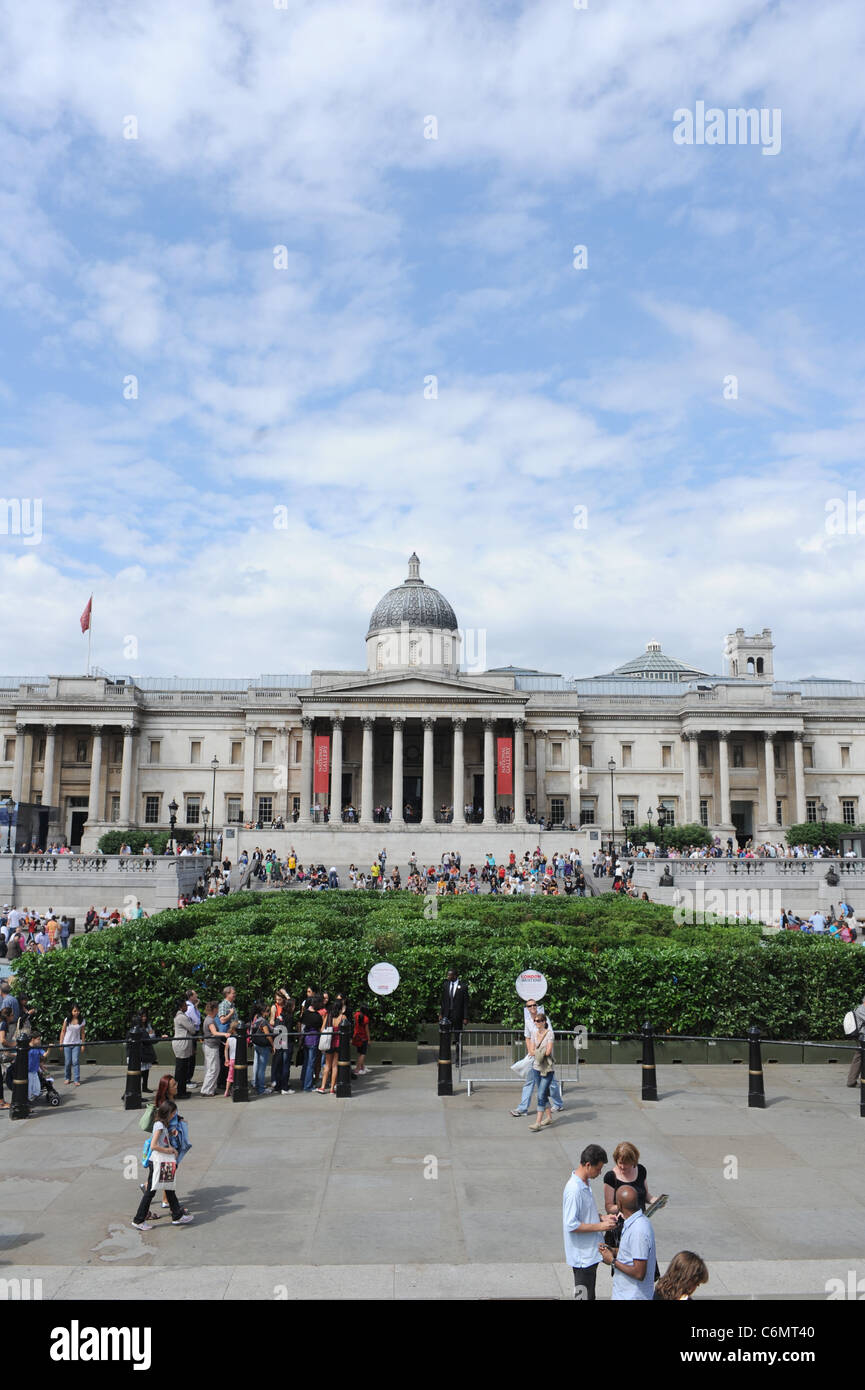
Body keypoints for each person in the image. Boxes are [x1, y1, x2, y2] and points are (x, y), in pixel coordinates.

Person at [563, 1144, 617, 1300]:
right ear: (588, 1165)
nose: (600, 1173)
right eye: (598, 1169)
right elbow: (571, 1224)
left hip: (590, 1255)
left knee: (589, 1296)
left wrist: (602, 1218)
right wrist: (600, 1226)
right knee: (583, 1297)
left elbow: (584, 1214)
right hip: (582, 1259)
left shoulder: (585, 1183)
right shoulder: (574, 1190)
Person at [131, 1100, 194, 1231]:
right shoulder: (159, 1125)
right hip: (160, 1161)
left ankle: (177, 1215)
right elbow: (154, 1145)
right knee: (151, 1192)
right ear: (168, 1113)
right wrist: (169, 1150)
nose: (174, 1115)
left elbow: (160, 1140)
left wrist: (171, 1135)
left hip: (160, 1161)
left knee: (169, 1189)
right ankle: (139, 1220)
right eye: (173, 1113)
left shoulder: (161, 1124)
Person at [599, 1184, 657, 1300]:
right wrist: (613, 1251)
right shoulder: (634, 1222)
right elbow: (632, 1253)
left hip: (633, 1296)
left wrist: (612, 1261)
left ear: (619, 1204)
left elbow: (639, 1273)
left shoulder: (638, 1230)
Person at [511, 999, 564, 1117]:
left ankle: (558, 1103)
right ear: (527, 1008)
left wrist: (544, 1051)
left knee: (552, 1082)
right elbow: (527, 1037)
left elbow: (549, 1034)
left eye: (534, 1005)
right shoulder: (527, 1021)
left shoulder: (544, 1019)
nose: (532, 1007)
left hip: (545, 1056)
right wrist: (530, 1050)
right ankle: (523, 1108)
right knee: (529, 1081)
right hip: (533, 1056)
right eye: (529, 1006)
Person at [603, 1142, 655, 1214]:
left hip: (640, 1221)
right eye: (620, 1162)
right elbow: (609, 1207)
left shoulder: (641, 1170)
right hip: (621, 1222)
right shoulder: (611, 1177)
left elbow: (645, 1196)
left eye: (626, 1163)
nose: (623, 1166)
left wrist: (655, 1201)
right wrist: (622, 1208)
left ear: (633, 1161)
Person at [527, 1011, 555, 1131]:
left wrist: (537, 1052)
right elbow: (531, 1050)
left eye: (539, 1021)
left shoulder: (550, 1034)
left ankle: (538, 1123)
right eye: (535, 1021)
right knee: (542, 1093)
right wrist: (538, 1052)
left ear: (544, 1022)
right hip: (536, 1067)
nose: (537, 1023)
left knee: (540, 1095)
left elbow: (548, 1052)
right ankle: (548, 1117)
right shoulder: (534, 1033)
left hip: (547, 1069)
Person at [171, 999, 197, 1099]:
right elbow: (193, 1029)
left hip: (182, 1044)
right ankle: (180, 1092)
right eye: (185, 1005)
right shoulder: (182, 1017)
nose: (187, 1007)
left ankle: (182, 1091)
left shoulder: (180, 1016)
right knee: (181, 1069)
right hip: (182, 1045)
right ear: (181, 1007)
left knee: (182, 1068)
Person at [439, 968, 469, 1049]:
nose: (448, 976)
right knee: (446, 1036)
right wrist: (441, 1013)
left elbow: (465, 1003)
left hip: (457, 1016)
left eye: (449, 975)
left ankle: (458, 1057)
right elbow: (443, 1000)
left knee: (457, 1037)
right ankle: (446, 1057)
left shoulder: (463, 986)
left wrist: (465, 1017)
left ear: (455, 976)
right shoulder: (446, 985)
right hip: (447, 1015)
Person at [199, 1002, 223, 1096]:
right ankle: (206, 1090)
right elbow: (214, 1032)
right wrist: (225, 1034)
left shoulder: (209, 1019)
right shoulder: (210, 1020)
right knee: (213, 1069)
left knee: (211, 1068)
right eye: (217, 1009)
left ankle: (210, 1089)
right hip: (211, 1047)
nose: (218, 1011)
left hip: (209, 1046)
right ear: (214, 1009)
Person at [59, 1003, 85, 1086]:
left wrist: (83, 1045)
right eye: (74, 1011)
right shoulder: (67, 1020)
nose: (76, 1012)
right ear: (71, 1012)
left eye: (78, 1011)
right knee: (67, 1062)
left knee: (75, 1061)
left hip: (76, 1043)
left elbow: (83, 1033)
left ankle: (76, 1079)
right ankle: (67, 1078)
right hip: (66, 1043)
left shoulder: (82, 1020)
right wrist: (61, 1043)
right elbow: (63, 1031)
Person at [846, 993, 865, 1087]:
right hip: (863, 1037)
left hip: (862, 1037)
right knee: (859, 1057)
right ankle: (851, 1080)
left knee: (859, 1057)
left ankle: (851, 1080)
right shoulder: (861, 1009)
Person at [352, 1003, 371, 1077]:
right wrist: (369, 1039)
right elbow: (367, 1030)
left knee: (360, 1053)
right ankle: (357, 1069)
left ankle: (362, 1067)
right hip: (363, 1038)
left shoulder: (356, 1015)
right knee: (363, 1054)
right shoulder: (366, 1018)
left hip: (357, 1037)